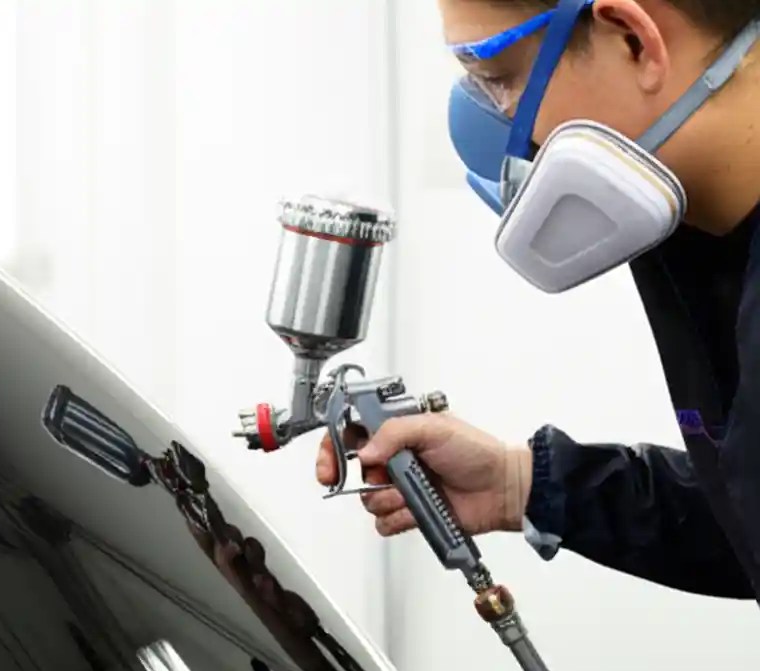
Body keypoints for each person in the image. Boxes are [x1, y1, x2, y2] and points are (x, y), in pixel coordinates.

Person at [317, 0, 760, 602]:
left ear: (634, 39)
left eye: (497, 79)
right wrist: (519, 484)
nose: (492, 125)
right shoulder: (685, 230)